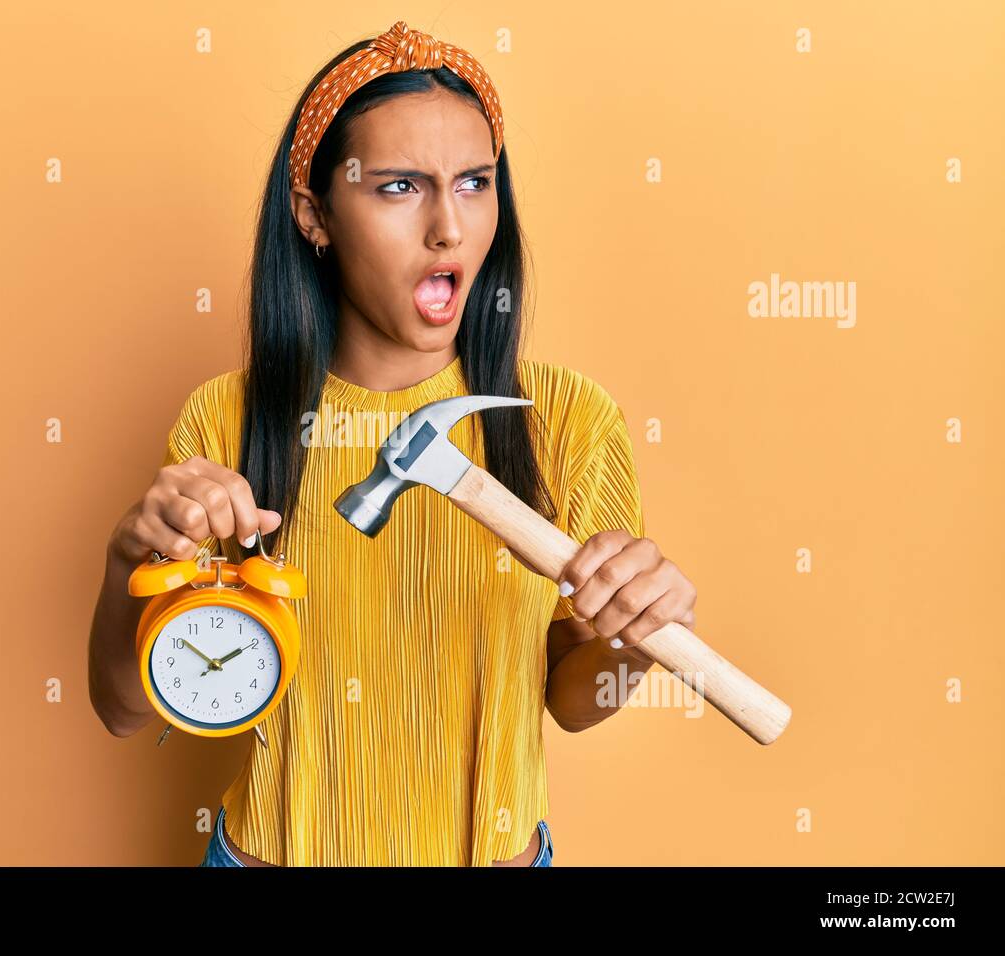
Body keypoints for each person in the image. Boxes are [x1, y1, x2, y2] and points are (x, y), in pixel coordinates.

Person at [88, 20, 697, 867]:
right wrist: (127, 563)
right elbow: (126, 711)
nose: (449, 227)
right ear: (315, 215)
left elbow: (572, 700)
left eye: (475, 182)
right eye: (401, 187)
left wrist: (631, 641)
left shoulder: (564, 419)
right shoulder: (225, 421)